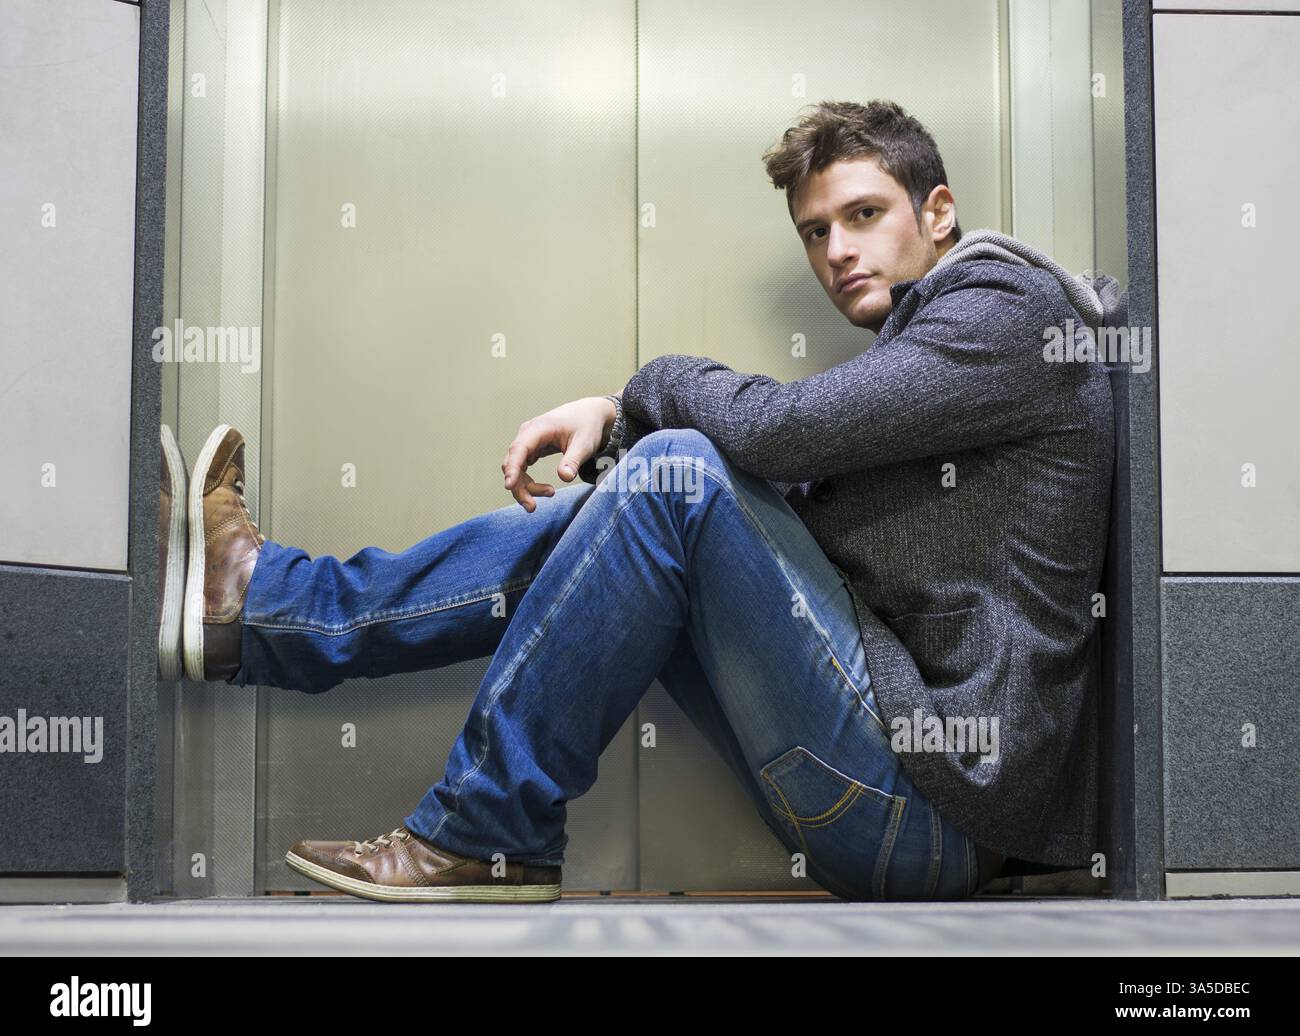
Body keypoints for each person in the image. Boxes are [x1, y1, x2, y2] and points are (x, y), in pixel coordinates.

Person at [156, 99, 1114, 903]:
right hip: (878, 796)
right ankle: (259, 608)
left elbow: (780, 437)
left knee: (678, 473)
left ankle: (485, 823)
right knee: (654, 485)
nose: (837, 252)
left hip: (936, 818)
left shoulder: (1007, 308)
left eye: (864, 216)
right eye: (817, 232)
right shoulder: (929, 360)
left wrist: (638, 393)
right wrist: (621, 431)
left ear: (937, 211)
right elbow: (781, 504)